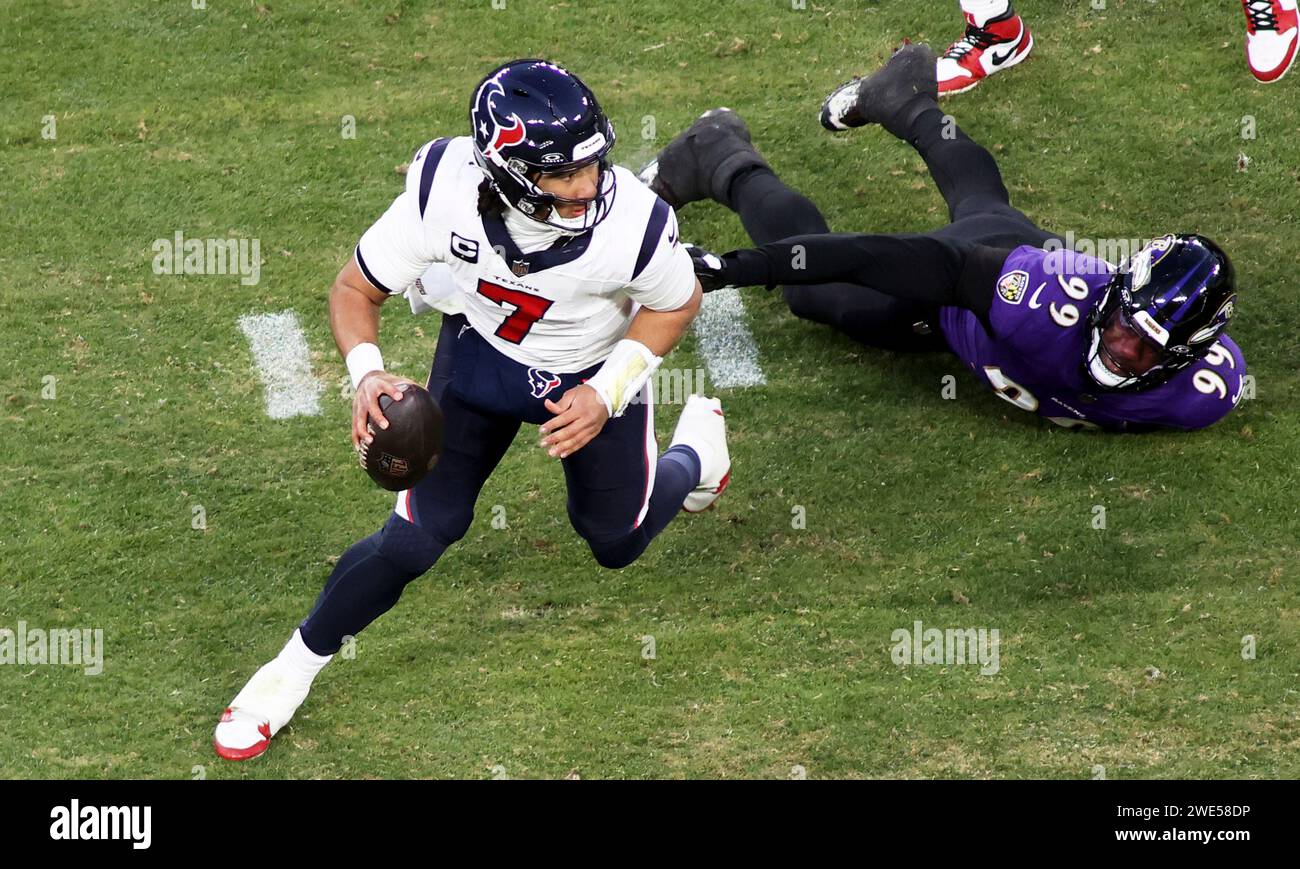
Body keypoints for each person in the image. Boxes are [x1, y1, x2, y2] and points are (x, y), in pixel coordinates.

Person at [214, 59, 731, 761]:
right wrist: (366, 376)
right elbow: (354, 288)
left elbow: (677, 301)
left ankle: (697, 451)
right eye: (563, 176)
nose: (589, 186)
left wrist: (606, 390)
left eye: (593, 165)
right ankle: (287, 673)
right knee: (417, 537)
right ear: (509, 175)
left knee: (613, 540)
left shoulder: (634, 225)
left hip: (587, 371)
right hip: (481, 354)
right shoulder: (443, 192)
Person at [643, 45, 1246, 433]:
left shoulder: (1202, 395)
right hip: (962, 301)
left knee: (983, 207)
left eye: (1143, 346)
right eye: (1122, 323)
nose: (1120, 347)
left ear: (1184, 356)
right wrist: (740, 267)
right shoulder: (1039, 301)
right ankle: (721, 156)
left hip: (1004, 263)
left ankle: (904, 99)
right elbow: (880, 258)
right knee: (821, 293)